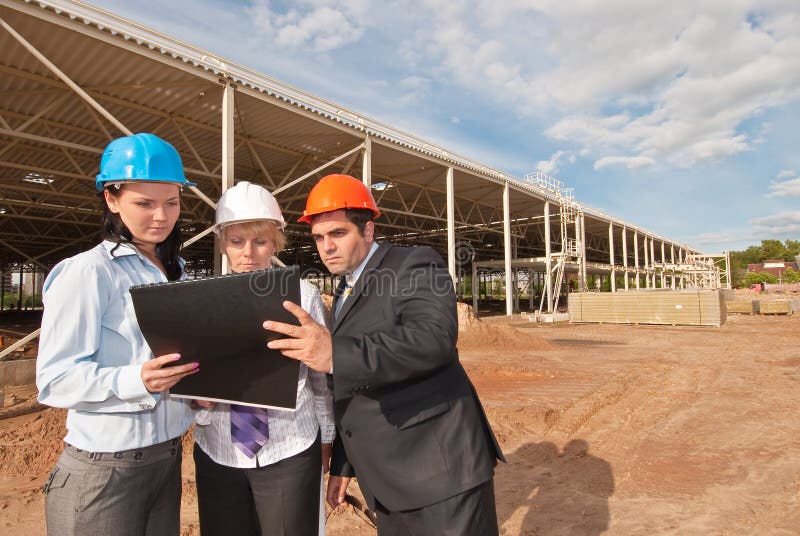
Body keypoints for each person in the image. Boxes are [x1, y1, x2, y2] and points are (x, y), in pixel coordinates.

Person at [264, 174, 505, 535]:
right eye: (318, 237)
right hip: (389, 482)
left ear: (368, 230)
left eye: (338, 233)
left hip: (442, 474)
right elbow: (354, 389)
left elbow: (433, 338)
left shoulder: (414, 264)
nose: (326, 246)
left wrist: (335, 356)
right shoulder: (346, 288)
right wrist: (345, 465)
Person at [36, 133, 200, 536]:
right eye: (144, 203)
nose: (161, 216)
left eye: (171, 202)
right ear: (112, 199)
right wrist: (137, 379)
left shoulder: (175, 272)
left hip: (167, 461)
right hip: (105, 469)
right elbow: (54, 380)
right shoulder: (89, 271)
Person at [192, 181, 335, 536]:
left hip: (291, 446)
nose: (248, 253)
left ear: (275, 243)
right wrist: (198, 401)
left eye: (260, 241)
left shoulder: (304, 295)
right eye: (237, 241)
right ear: (224, 242)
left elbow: (319, 377)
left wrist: (327, 437)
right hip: (218, 450)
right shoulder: (199, 299)